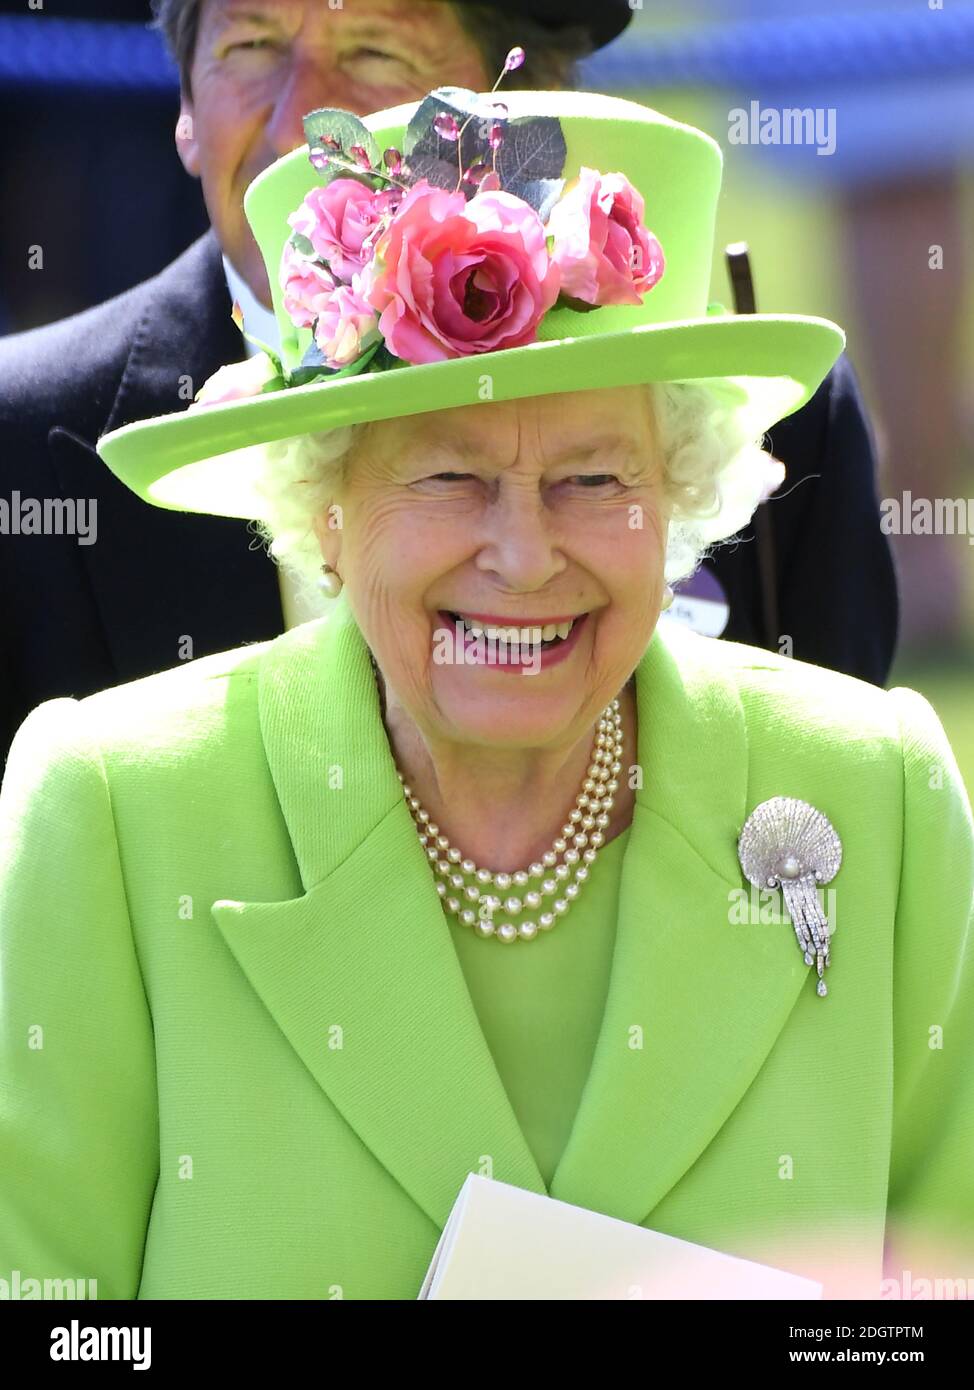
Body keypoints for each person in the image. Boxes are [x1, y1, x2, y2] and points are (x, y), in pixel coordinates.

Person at [1, 83, 969, 1301]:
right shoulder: (116, 814)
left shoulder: (868, 794)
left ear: (673, 502)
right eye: (451, 476)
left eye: (590, 478)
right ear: (328, 516)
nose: (522, 558)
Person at [0, 0, 896, 775]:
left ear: (524, 101)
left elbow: (828, 866)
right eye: (250, 48)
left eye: (377, 53)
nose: (296, 125)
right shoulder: (26, 444)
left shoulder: (773, 422)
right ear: (186, 110)